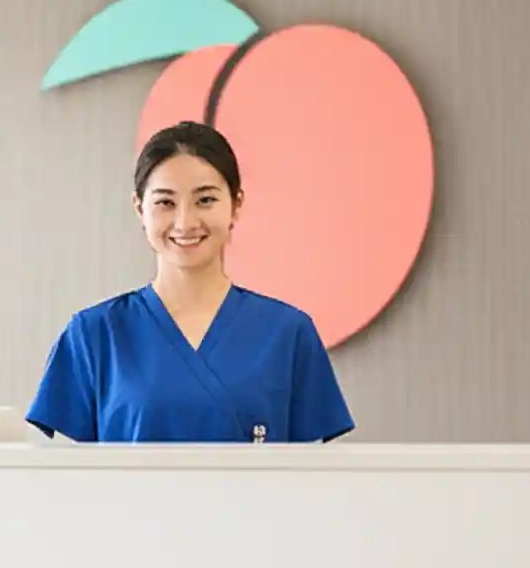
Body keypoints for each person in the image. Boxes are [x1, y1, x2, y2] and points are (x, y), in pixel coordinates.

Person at [25, 121, 354, 443]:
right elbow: (65, 479)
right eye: (165, 202)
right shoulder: (94, 334)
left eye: (205, 200)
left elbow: (316, 480)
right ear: (140, 209)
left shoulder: (287, 333)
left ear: (236, 205)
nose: (185, 222)